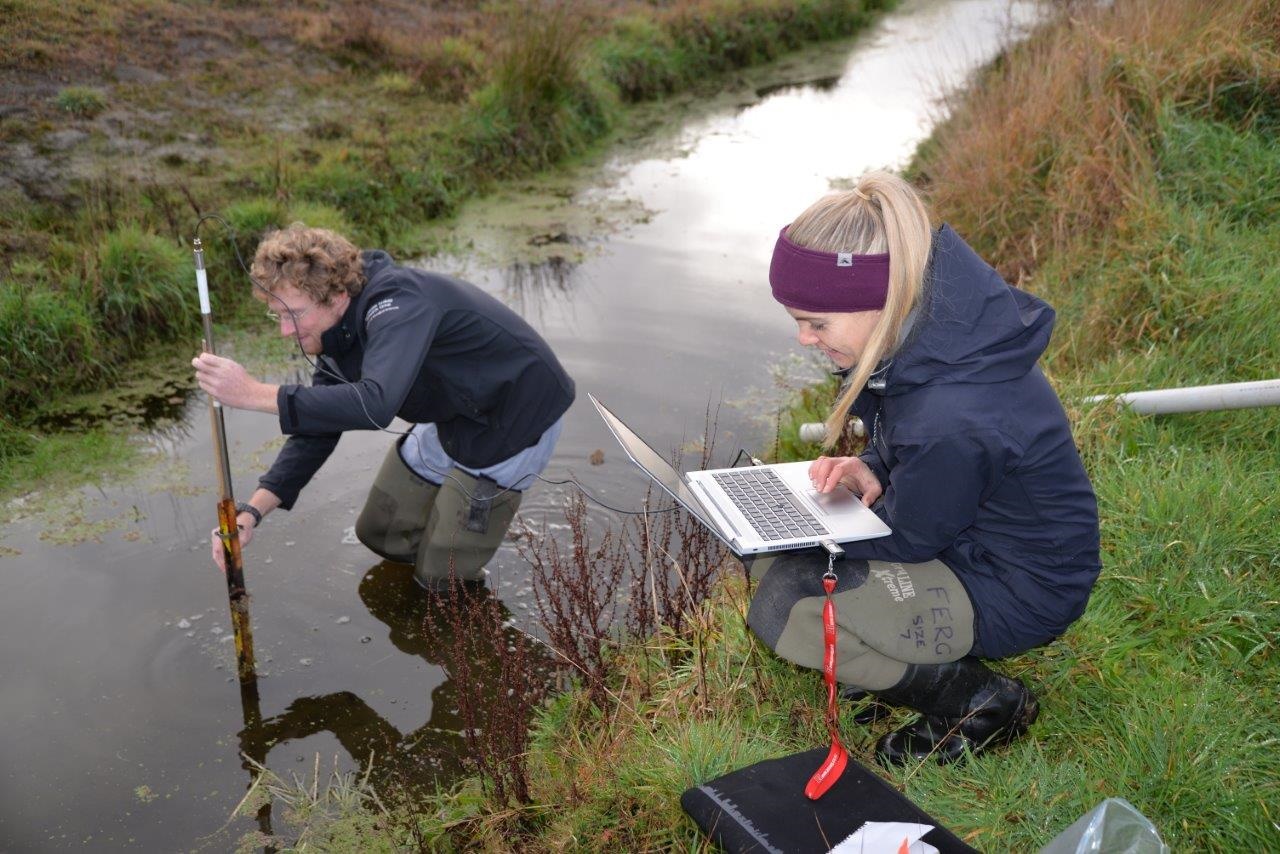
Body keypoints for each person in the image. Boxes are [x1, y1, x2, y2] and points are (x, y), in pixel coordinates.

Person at [748, 171, 1100, 766]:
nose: (804, 340)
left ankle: (979, 702)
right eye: (797, 322)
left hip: (1020, 588)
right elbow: (910, 440)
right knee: (779, 557)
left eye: (816, 323)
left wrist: (804, 536)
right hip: (976, 547)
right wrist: (871, 465)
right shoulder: (932, 334)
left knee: (788, 604)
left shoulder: (953, 415)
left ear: (877, 304)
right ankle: (896, 658)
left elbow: (912, 535)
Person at [193, 224, 575, 589]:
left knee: (441, 579)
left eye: (294, 314)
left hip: (511, 417)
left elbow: (375, 405)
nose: (285, 331)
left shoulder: (397, 304)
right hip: (450, 415)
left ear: (338, 295)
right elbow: (318, 427)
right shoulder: (336, 331)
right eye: (277, 316)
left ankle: (457, 616)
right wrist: (253, 512)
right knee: (382, 531)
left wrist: (252, 393)